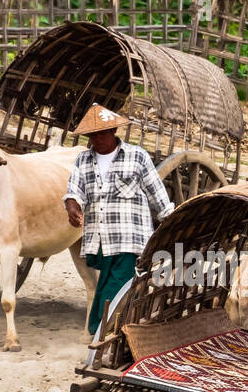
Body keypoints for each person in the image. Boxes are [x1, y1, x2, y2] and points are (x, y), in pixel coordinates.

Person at [63, 104, 174, 335]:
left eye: (102, 133)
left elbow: (156, 191)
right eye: (92, 135)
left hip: (130, 236)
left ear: (113, 132)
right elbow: (74, 190)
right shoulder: (83, 160)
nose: (97, 139)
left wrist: (169, 220)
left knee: (118, 282)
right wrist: (71, 205)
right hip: (100, 237)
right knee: (107, 281)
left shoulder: (137, 156)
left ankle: (103, 328)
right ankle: (102, 327)